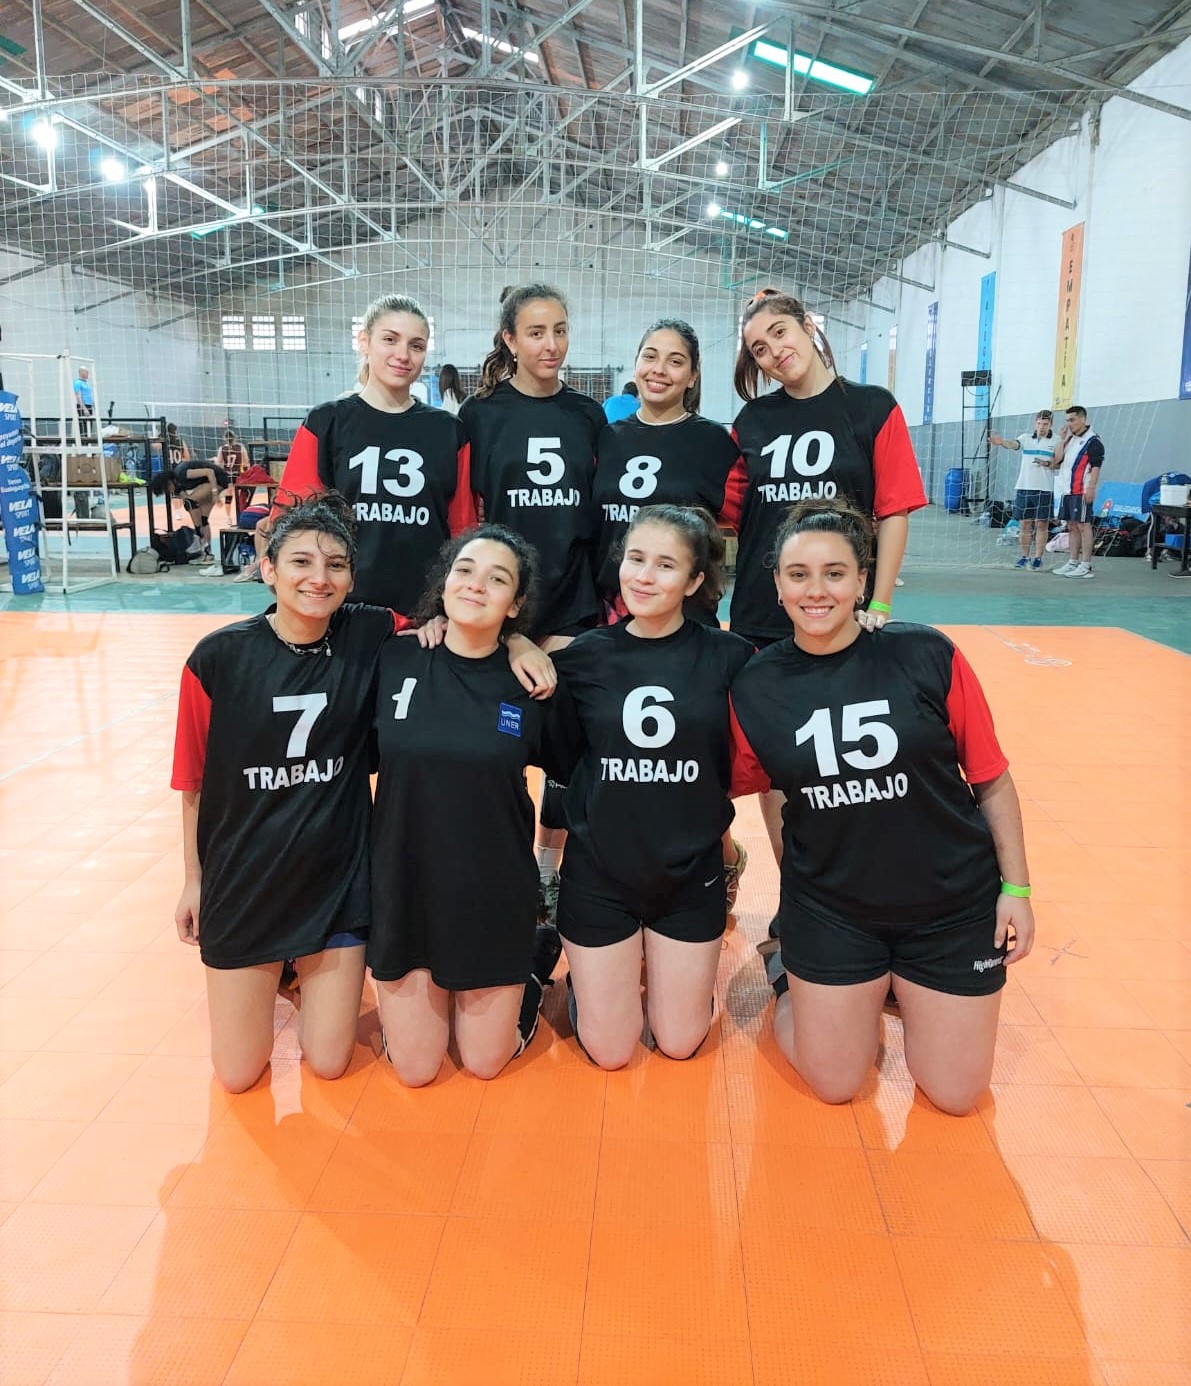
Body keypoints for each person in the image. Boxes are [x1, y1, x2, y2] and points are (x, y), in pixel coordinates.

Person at [731, 498, 1035, 1116]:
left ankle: (885, 989)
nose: (817, 591)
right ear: (777, 586)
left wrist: (1017, 890)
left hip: (950, 906)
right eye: (799, 575)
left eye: (835, 573)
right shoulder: (756, 685)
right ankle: (791, 975)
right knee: (836, 1083)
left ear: (863, 579)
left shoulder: (924, 654)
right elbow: (755, 785)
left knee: (955, 1094)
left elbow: (991, 778)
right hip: (833, 909)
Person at [170, 495, 410, 1093]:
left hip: (336, 880)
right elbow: (192, 783)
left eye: (336, 565)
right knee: (237, 1074)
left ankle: (303, 975)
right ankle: (279, 974)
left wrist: (519, 644)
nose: (318, 578)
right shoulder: (217, 659)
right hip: (245, 879)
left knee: (328, 1061)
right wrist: (194, 881)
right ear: (268, 569)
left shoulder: (369, 631)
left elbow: (453, 624)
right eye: (301, 561)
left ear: (351, 578)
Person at [726, 286, 928, 910]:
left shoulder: (870, 408)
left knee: (844, 761)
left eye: (779, 333)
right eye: (759, 349)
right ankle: (798, 901)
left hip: (843, 616)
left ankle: (850, 895)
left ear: (807, 327)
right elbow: (727, 514)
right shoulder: (751, 423)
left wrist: (880, 603)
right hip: (763, 615)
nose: (773, 352)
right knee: (777, 763)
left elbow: (894, 509)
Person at [552, 506, 756, 1068]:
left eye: (665, 565)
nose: (643, 576)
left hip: (690, 873)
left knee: (679, 1042)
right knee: (611, 1051)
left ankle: (672, 982)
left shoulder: (731, 657)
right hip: (600, 870)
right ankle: (588, 987)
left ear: (694, 581)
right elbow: (563, 758)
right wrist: (522, 646)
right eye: (635, 559)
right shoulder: (583, 658)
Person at [369, 526, 562, 1085]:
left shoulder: (530, 680)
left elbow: (570, 772)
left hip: (491, 890)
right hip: (405, 885)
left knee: (483, 1064)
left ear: (515, 604)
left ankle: (532, 966)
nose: (476, 585)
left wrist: (520, 643)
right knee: (415, 1070)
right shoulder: (395, 658)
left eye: (497, 579)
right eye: (465, 571)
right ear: (445, 581)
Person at [459, 283, 604, 935]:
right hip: (501, 609)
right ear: (510, 340)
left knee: (567, 745)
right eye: (537, 332)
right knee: (501, 743)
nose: (551, 344)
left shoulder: (587, 415)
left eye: (560, 330)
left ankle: (548, 867)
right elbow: (466, 514)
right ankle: (502, 868)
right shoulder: (480, 415)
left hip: (572, 605)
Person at [593, 318, 748, 909]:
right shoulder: (606, 436)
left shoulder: (715, 443)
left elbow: (739, 519)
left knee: (691, 751)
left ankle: (721, 855)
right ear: (635, 363)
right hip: (617, 615)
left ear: (693, 375)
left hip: (688, 622)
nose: (659, 369)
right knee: (621, 751)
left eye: (675, 360)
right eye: (650, 355)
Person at [267, 294, 476, 615]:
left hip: (423, 618)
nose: (403, 355)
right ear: (364, 341)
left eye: (416, 345)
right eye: (390, 340)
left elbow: (462, 530)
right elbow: (291, 524)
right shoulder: (327, 422)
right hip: (342, 611)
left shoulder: (449, 431)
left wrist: (446, 608)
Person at [989, 411, 1059, 570]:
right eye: (1039, 423)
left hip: (1044, 488)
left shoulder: (1056, 441)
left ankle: (1038, 558)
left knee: (1041, 524)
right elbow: (1014, 444)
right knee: (1025, 524)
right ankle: (1024, 556)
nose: (1042, 427)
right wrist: (1002, 442)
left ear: (1051, 425)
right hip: (1024, 487)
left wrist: (1047, 464)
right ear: (1035, 423)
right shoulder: (1026, 438)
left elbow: (1060, 463)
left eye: (1045, 424)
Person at [1051, 404, 1104, 579]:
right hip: (1067, 489)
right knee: (1071, 526)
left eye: (1072, 420)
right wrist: (1062, 439)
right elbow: (1057, 461)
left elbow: (1096, 467)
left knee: (1083, 526)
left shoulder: (1093, 441)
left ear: (1083, 419)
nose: (1069, 423)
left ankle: (1086, 564)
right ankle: (1073, 561)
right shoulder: (1070, 439)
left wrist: (1091, 488)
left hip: (1082, 490)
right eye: (1067, 420)